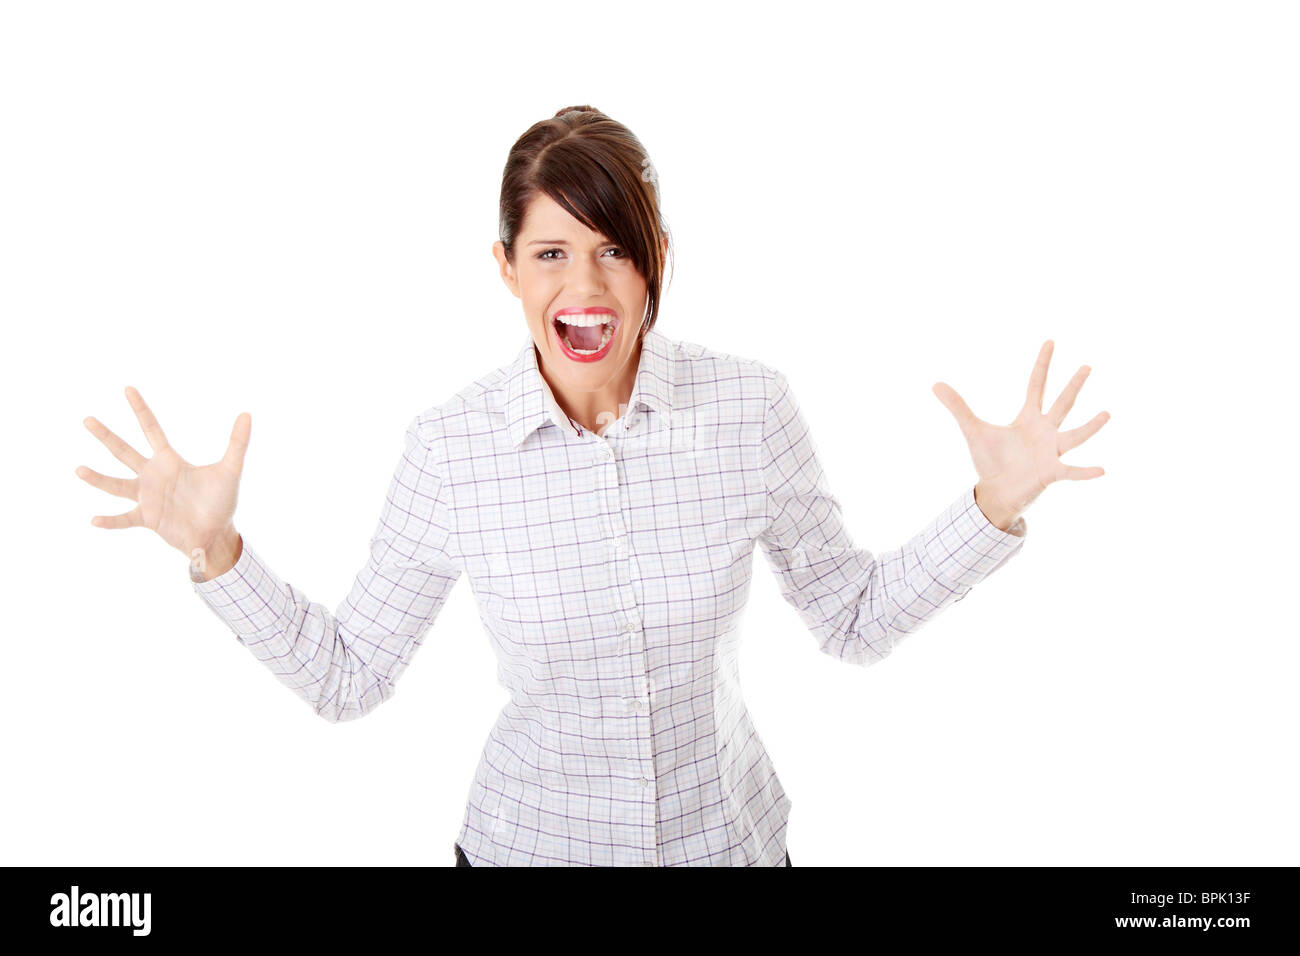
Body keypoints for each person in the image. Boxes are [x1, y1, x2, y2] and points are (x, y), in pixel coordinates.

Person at [76, 105, 1110, 867]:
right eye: (553, 251)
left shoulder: (748, 408)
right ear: (507, 268)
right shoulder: (450, 448)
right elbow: (350, 675)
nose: (585, 285)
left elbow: (850, 618)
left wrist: (992, 507)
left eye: (616, 250)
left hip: (732, 847)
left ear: (658, 260)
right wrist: (215, 552)